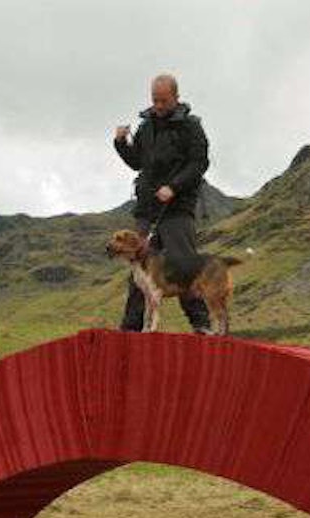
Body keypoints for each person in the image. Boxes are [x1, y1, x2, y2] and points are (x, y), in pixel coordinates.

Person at [112, 73, 212, 333]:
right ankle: (131, 328)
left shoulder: (190, 126)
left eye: (163, 100)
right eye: (154, 100)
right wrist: (121, 143)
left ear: (176, 98)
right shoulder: (146, 126)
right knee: (138, 268)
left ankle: (201, 325)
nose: (157, 105)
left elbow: (200, 163)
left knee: (183, 264)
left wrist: (174, 187)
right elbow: (137, 162)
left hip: (177, 208)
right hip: (147, 208)